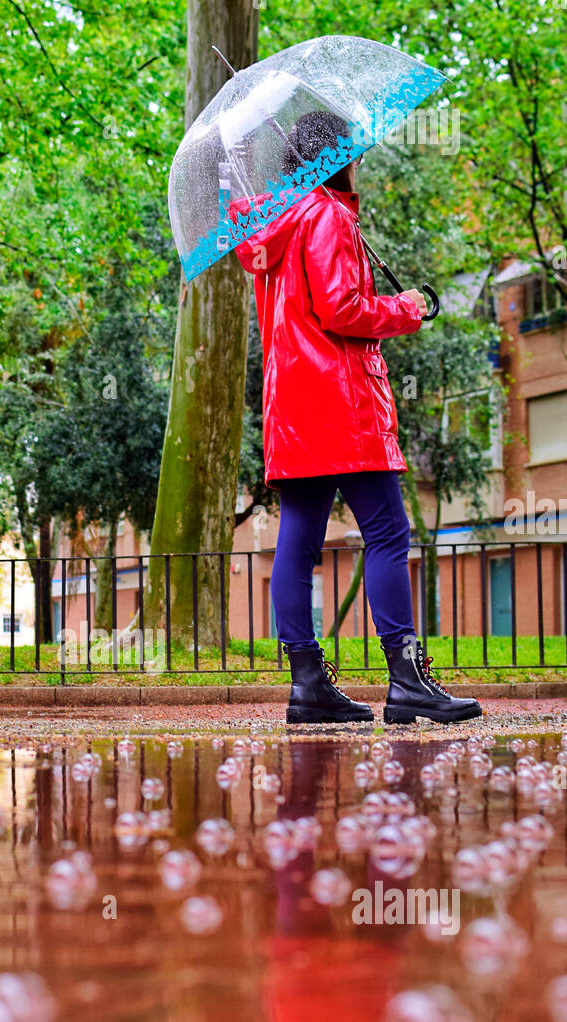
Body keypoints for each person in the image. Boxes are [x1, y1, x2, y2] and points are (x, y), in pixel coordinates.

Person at [230, 110, 481, 725]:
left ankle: (307, 685)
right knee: (390, 535)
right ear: (333, 157)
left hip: (292, 411)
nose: (360, 160)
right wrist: (405, 307)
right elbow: (342, 308)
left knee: (297, 544)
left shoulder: (273, 223)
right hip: (340, 407)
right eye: (353, 150)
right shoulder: (326, 214)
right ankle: (407, 681)